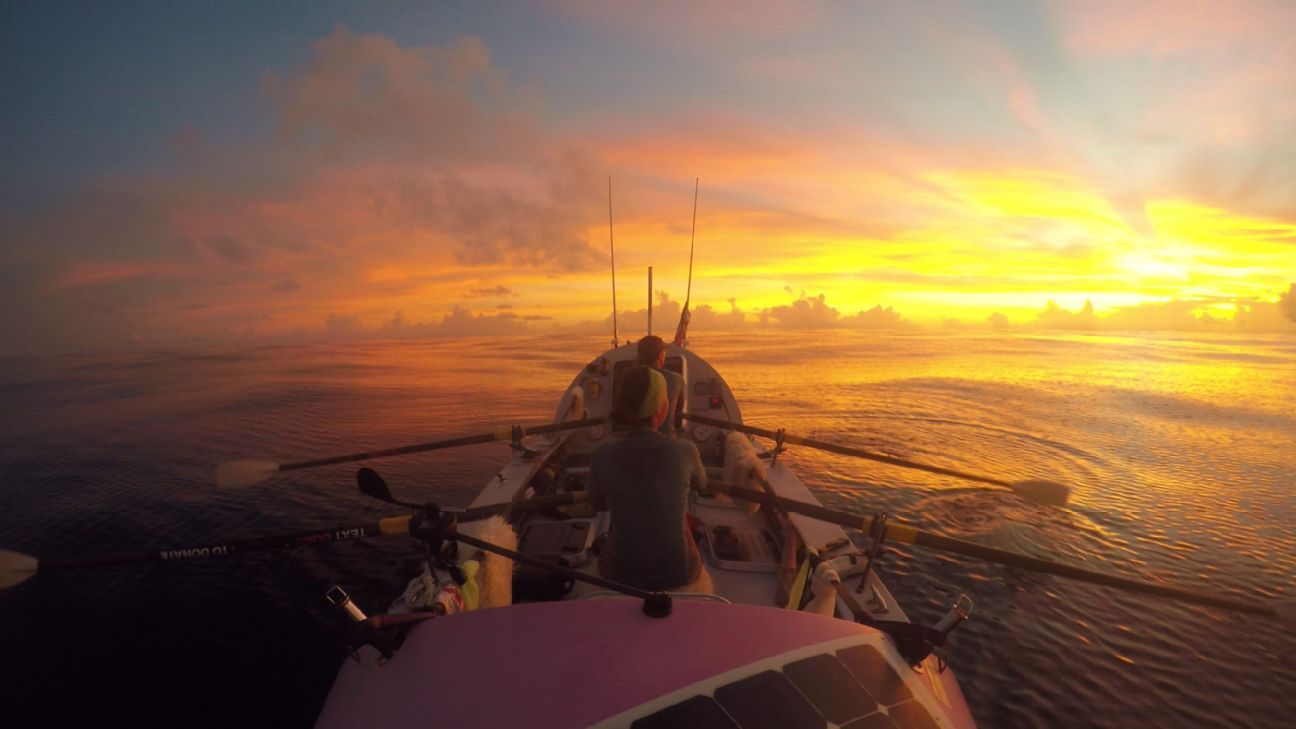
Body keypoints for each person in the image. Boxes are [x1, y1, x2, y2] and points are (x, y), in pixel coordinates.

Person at [588, 366, 712, 592]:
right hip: (679, 574)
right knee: (682, 522)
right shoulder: (686, 450)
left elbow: (598, 504)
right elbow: (703, 486)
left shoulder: (602, 455)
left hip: (618, 574)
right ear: (662, 409)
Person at [635, 335, 686, 437]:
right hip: (668, 441)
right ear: (659, 355)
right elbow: (679, 411)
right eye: (664, 352)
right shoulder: (677, 379)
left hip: (635, 442)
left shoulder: (630, 379)